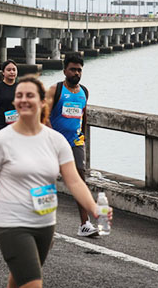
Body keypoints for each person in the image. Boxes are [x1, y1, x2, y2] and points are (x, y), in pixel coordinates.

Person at [0, 76, 110, 288]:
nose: (23, 99)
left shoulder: (56, 141)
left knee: (21, 277)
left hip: (45, 223)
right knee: (32, 282)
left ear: (42, 102)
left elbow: (75, 182)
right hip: (12, 223)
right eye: (19, 95)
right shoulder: (1, 141)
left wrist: (93, 208)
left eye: (29, 95)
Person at [45, 54, 97, 237]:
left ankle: (85, 224)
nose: (76, 73)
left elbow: (83, 115)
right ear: (65, 70)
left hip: (75, 142)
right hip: (53, 143)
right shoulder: (55, 90)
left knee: (79, 180)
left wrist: (82, 136)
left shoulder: (84, 92)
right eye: (73, 69)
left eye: (79, 70)